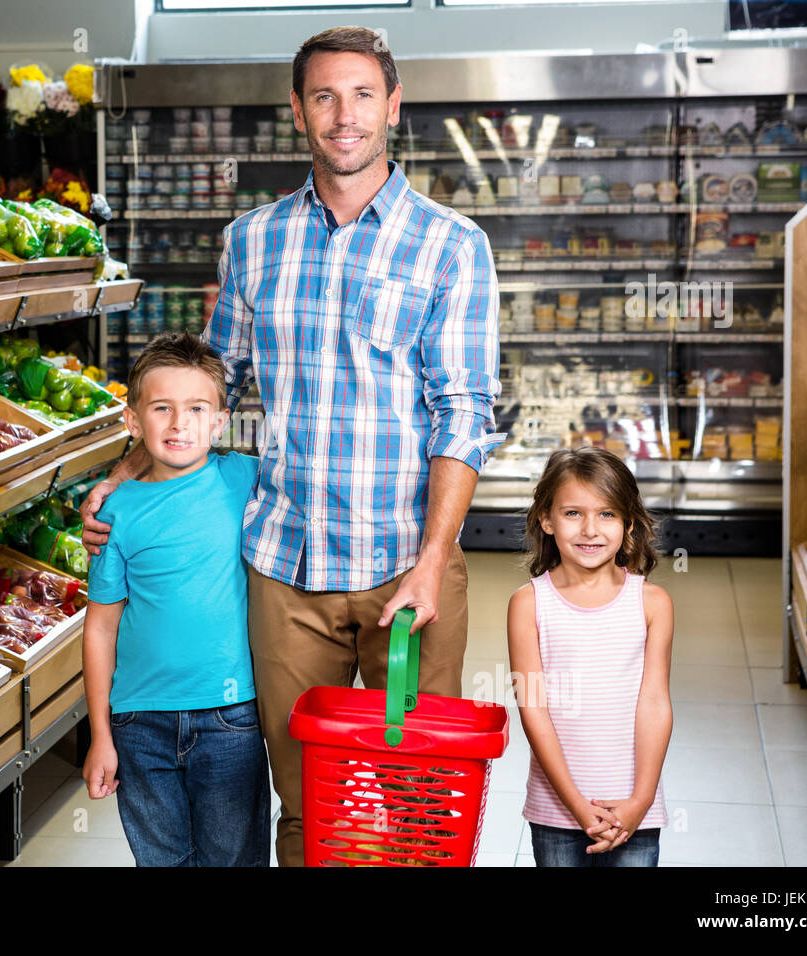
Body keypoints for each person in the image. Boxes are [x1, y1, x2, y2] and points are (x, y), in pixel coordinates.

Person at [81, 25, 503, 867]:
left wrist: (433, 559)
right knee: (304, 798)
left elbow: (464, 410)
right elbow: (214, 380)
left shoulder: (453, 245)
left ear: (392, 105)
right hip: (283, 570)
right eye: (323, 96)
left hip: (404, 571)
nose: (343, 116)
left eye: (361, 94)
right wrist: (125, 473)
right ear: (298, 112)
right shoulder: (253, 239)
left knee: (414, 795)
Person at [80, 332, 270, 867]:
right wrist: (100, 735)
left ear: (220, 422)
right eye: (161, 408)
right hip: (139, 723)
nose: (179, 423)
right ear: (134, 423)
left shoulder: (246, 480)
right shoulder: (117, 511)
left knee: (234, 859)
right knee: (162, 860)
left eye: (196, 409)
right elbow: (100, 628)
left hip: (232, 715)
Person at [506, 446, 673, 867]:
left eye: (607, 514)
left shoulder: (653, 603)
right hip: (557, 808)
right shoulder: (528, 605)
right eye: (573, 513)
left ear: (629, 522)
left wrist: (642, 799)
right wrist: (577, 805)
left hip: (633, 809)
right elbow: (534, 710)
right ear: (546, 519)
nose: (590, 530)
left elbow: (655, 703)